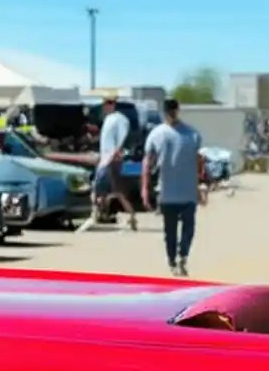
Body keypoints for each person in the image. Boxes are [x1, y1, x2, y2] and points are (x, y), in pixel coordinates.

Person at [142, 98, 203, 277]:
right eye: (168, 112)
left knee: (189, 229)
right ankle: (172, 260)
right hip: (167, 191)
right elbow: (148, 162)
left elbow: (198, 162)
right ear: (164, 113)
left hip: (188, 191)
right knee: (170, 231)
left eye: (174, 111)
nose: (171, 115)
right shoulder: (156, 134)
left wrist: (201, 185)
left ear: (178, 110)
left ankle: (183, 255)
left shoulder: (192, 134)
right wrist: (145, 188)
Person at [78, 95, 134, 233]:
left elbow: (122, 137)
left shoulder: (120, 119)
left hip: (112, 160)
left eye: (108, 103)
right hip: (104, 160)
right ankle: (97, 216)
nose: (105, 106)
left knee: (117, 191)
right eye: (104, 104)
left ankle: (131, 217)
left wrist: (117, 152)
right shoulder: (107, 119)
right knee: (99, 190)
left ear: (113, 104)